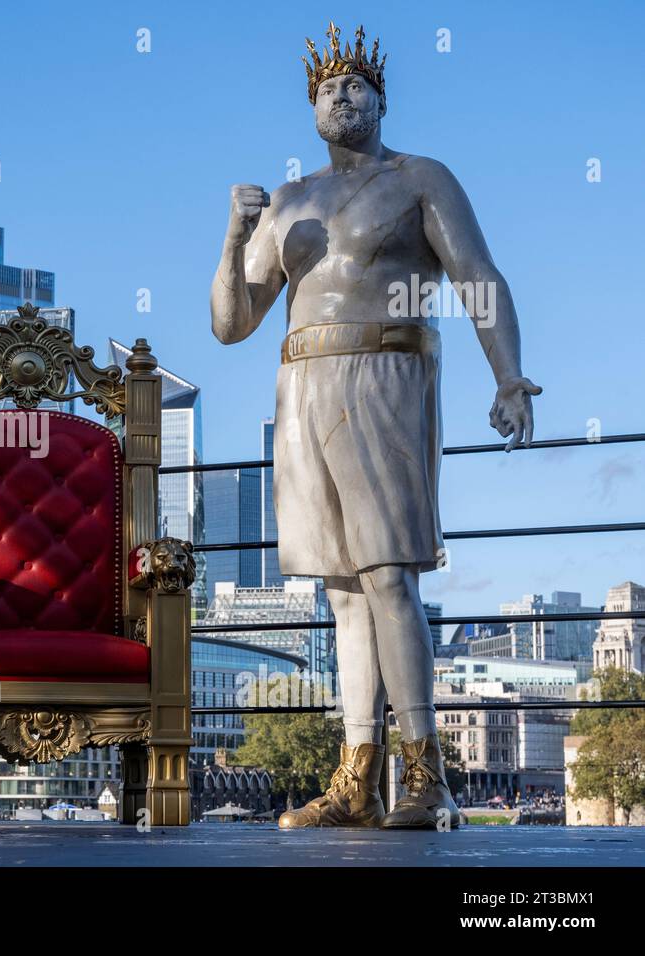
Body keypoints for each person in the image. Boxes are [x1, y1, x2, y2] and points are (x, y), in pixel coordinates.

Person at [210, 23, 541, 829]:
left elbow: (477, 276)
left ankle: (426, 778)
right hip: (301, 383)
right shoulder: (287, 204)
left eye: (355, 84)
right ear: (311, 111)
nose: (340, 95)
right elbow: (230, 324)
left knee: (389, 575)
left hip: (388, 372)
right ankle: (356, 775)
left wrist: (509, 376)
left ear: (383, 99)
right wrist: (232, 235)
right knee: (341, 590)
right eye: (326, 89)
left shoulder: (421, 177)